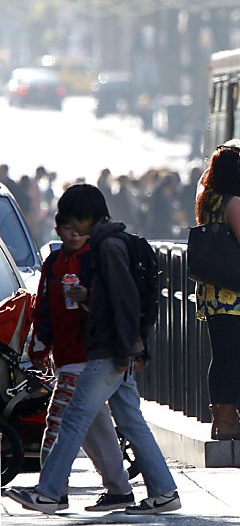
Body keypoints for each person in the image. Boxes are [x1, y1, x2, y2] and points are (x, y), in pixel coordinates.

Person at [7, 184, 180, 515]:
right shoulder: (108, 244)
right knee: (131, 422)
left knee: (73, 417)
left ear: (87, 217)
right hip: (116, 349)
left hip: (108, 351)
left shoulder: (108, 248)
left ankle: (49, 492)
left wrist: (125, 351)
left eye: (75, 220)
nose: (72, 228)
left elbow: (124, 302)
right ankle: (163, 491)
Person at [27, 213, 136, 513]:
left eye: (79, 228)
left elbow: (114, 302)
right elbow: (43, 305)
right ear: (58, 230)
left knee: (58, 419)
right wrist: (40, 343)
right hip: (65, 354)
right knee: (96, 427)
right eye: (67, 228)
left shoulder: (96, 259)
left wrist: (88, 297)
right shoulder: (54, 262)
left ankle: (52, 490)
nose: (74, 234)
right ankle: (119, 488)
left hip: (87, 355)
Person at [195, 146, 240, 440]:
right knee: (236, 356)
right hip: (235, 292)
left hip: (212, 289)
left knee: (221, 356)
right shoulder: (233, 202)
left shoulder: (208, 199)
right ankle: (228, 420)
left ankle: (221, 418)